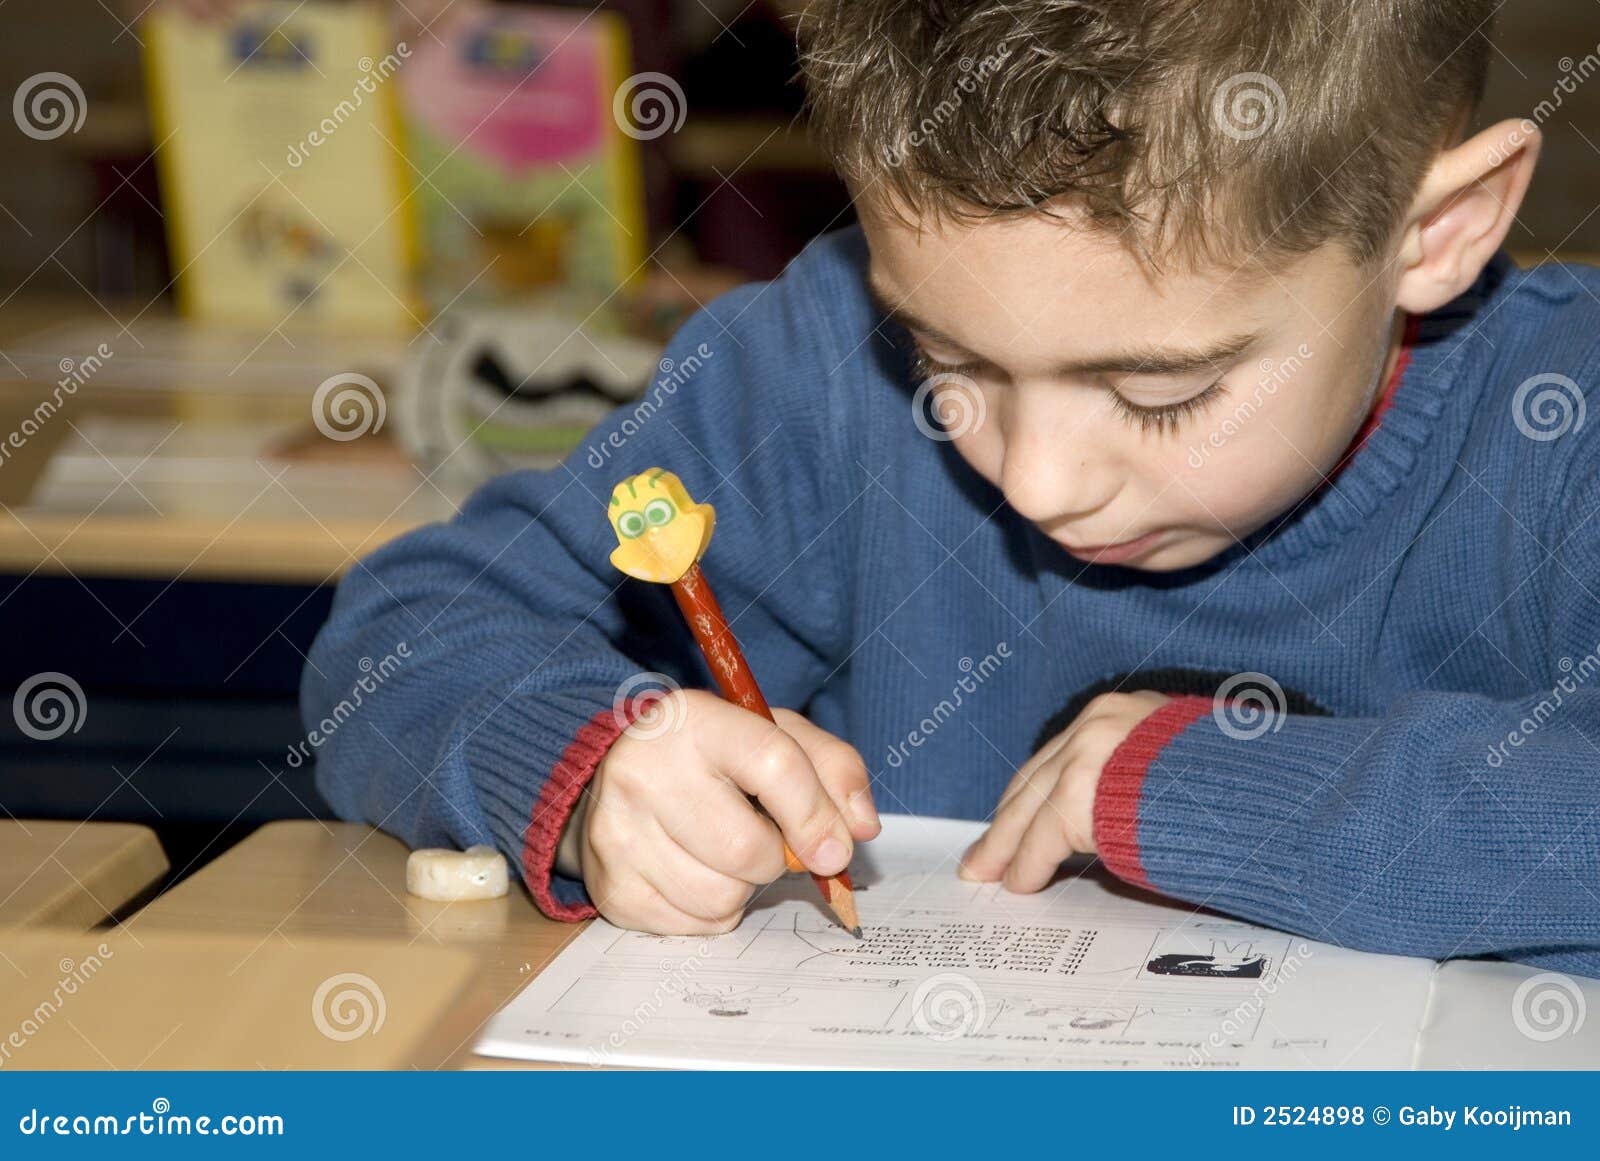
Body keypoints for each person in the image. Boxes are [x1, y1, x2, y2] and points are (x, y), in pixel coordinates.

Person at [305, 1, 1600, 975]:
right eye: (950, 359)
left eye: (1161, 393)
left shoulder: (1566, 421)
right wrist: (594, 772)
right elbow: (402, 629)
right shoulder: (819, 376)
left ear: (1438, 230)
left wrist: (1199, 784)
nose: (1039, 480)